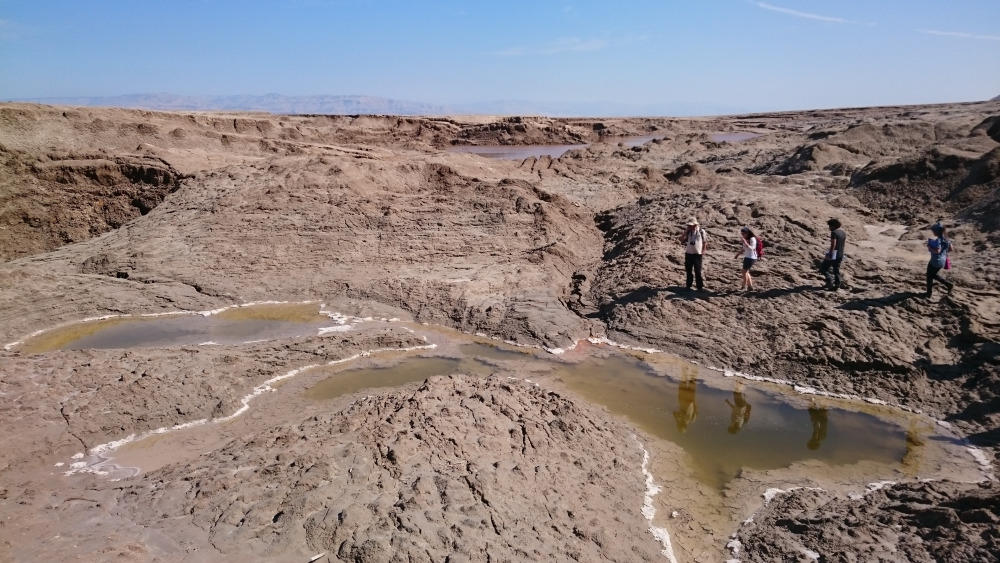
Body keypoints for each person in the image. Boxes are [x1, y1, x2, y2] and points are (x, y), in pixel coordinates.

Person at [925, 222, 954, 297]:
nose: (933, 232)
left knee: (929, 276)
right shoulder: (947, 238)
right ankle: (948, 285)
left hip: (935, 261)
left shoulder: (939, 240)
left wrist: (929, 247)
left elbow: (937, 251)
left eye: (934, 231)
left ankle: (929, 293)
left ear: (937, 231)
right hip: (943, 261)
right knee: (933, 275)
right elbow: (951, 248)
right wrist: (944, 253)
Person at [679, 217, 707, 291]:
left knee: (698, 271)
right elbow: (681, 240)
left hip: (697, 254)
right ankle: (688, 285)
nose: (689, 227)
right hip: (689, 253)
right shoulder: (688, 232)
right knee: (688, 270)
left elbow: (705, 242)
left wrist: (703, 251)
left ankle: (699, 287)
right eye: (689, 226)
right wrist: (685, 232)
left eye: (690, 226)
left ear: (695, 225)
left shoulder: (701, 231)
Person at [819, 218, 846, 291]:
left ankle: (829, 282)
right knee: (836, 270)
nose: (829, 228)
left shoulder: (834, 233)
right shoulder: (843, 232)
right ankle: (837, 284)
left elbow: (833, 244)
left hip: (834, 254)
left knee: (823, 268)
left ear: (833, 226)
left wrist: (829, 254)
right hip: (841, 253)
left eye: (830, 226)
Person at [734, 226, 759, 291]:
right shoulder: (746, 239)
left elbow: (752, 248)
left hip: (751, 257)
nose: (743, 235)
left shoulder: (752, 239)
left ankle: (744, 286)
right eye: (742, 234)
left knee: (744, 271)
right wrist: (737, 254)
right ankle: (750, 286)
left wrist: (745, 242)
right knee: (746, 271)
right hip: (747, 257)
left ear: (747, 233)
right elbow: (744, 249)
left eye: (744, 234)